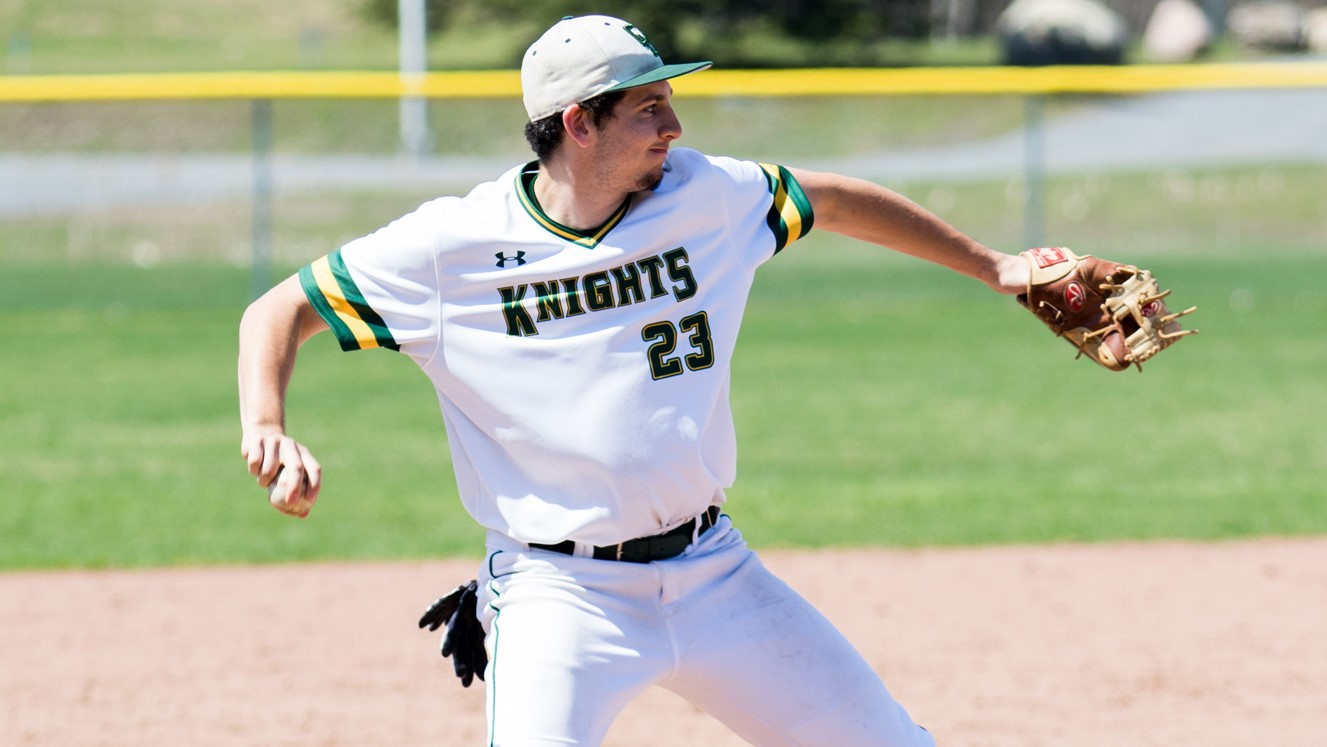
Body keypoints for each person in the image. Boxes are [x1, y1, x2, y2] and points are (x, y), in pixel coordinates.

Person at [239, 14, 1027, 746]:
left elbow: (829, 200)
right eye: (648, 108)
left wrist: (997, 268)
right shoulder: (454, 248)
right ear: (579, 122)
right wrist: (266, 423)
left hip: (715, 572)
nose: (673, 127)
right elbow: (276, 311)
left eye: (670, 101)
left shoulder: (706, 194)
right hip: (559, 593)